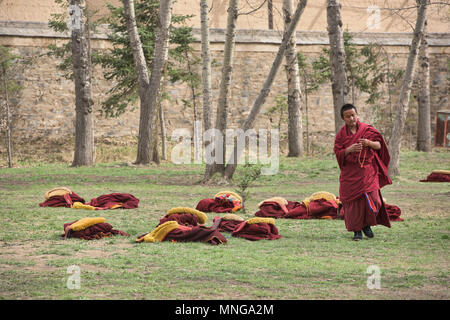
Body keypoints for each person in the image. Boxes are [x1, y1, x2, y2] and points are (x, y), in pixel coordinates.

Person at [334, 104, 391, 241]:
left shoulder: (367, 129)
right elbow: (338, 152)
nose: (351, 118)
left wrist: (368, 143)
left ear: (357, 114)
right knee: (353, 204)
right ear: (343, 118)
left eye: (353, 115)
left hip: (368, 171)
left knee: (374, 200)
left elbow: (379, 145)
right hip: (350, 174)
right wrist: (349, 149)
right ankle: (357, 231)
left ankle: (366, 225)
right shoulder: (341, 135)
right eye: (348, 116)